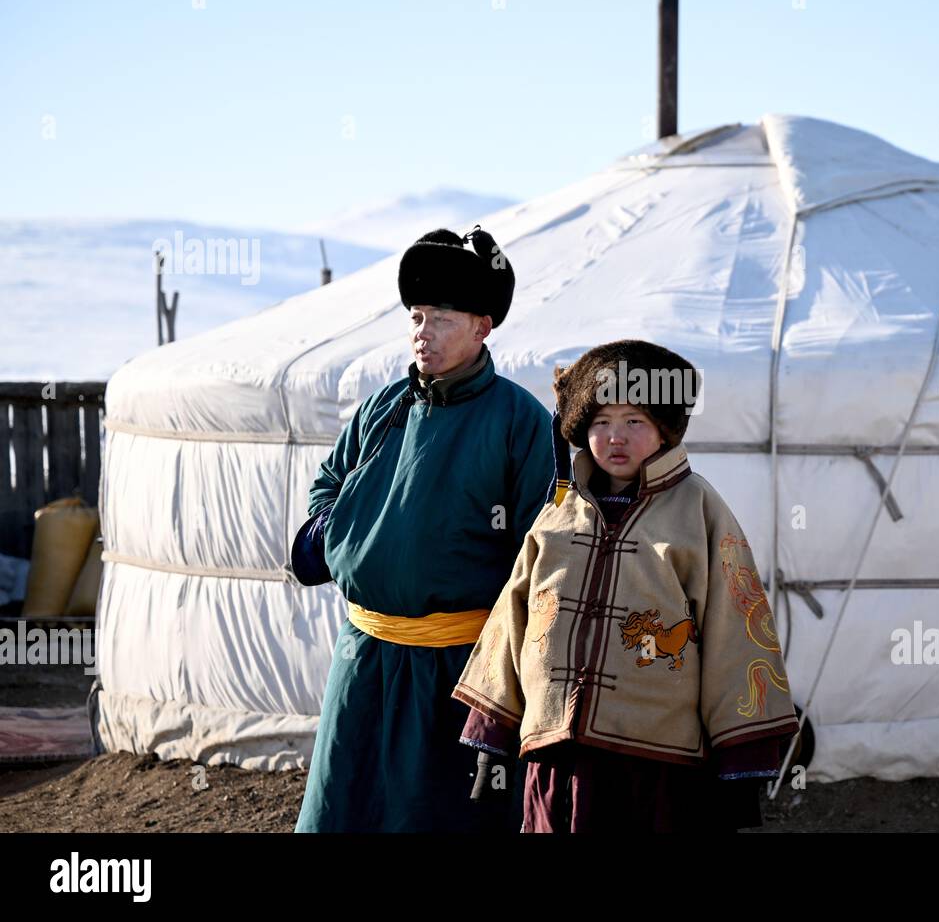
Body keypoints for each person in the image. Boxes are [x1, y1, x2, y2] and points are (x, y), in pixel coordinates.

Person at [452, 339, 801, 832]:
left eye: (634, 422)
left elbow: (736, 629)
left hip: (656, 762)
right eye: (601, 423)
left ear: (663, 431)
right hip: (556, 753)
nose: (616, 438)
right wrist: (492, 729)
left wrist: (739, 762)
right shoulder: (557, 514)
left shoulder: (699, 511)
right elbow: (513, 619)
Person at [290, 226, 554, 832]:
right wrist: (347, 538)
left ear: (482, 326)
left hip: (458, 669)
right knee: (346, 806)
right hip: (365, 658)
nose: (422, 332)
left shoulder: (520, 422)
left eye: (441, 318)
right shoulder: (384, 407)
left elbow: (537, 549)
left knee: (440, 816)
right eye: (415, 317)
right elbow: (327, 486)